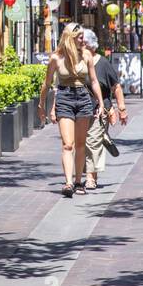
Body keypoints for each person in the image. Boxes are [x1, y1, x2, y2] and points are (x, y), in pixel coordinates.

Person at [38, 22, 106, 197]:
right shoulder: (57, 58)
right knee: (68, 144)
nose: (83, 40)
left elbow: (94, 80)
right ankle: (68, 183)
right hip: (65, 98)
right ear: (70, 38)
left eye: (83, 36)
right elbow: (47, 83)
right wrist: (41, 105)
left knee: (81, 144)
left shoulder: (87, 56)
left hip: (83, 98)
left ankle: (78, 181)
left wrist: (101, 103)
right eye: (80, 37)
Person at [81, 28, 127, 190]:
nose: (80, 46)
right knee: (79, 144)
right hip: (78, 108)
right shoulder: (76, 63)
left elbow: (116, 87)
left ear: (91, 45)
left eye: (83, 43)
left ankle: (90, 178)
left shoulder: (103, 63)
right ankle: (82, 173)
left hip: (99, 110)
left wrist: (121, 109)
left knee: (92, 143)